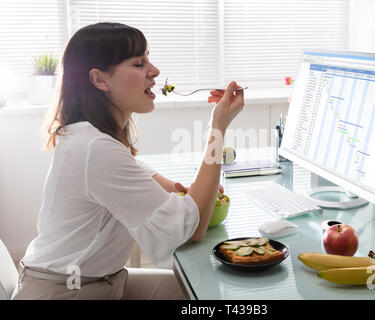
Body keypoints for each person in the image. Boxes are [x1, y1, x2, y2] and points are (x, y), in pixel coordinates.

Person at [12, 22, 244, 300]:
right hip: (66, 291)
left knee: (201, 292)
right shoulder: (94, 148)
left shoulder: (94, 138)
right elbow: (192, 229)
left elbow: (178, 194)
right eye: (138, 63)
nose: (155, 71)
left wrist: (197, 195)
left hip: (99, 280)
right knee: (209, 295)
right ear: (100, 79)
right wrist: (217, 127)